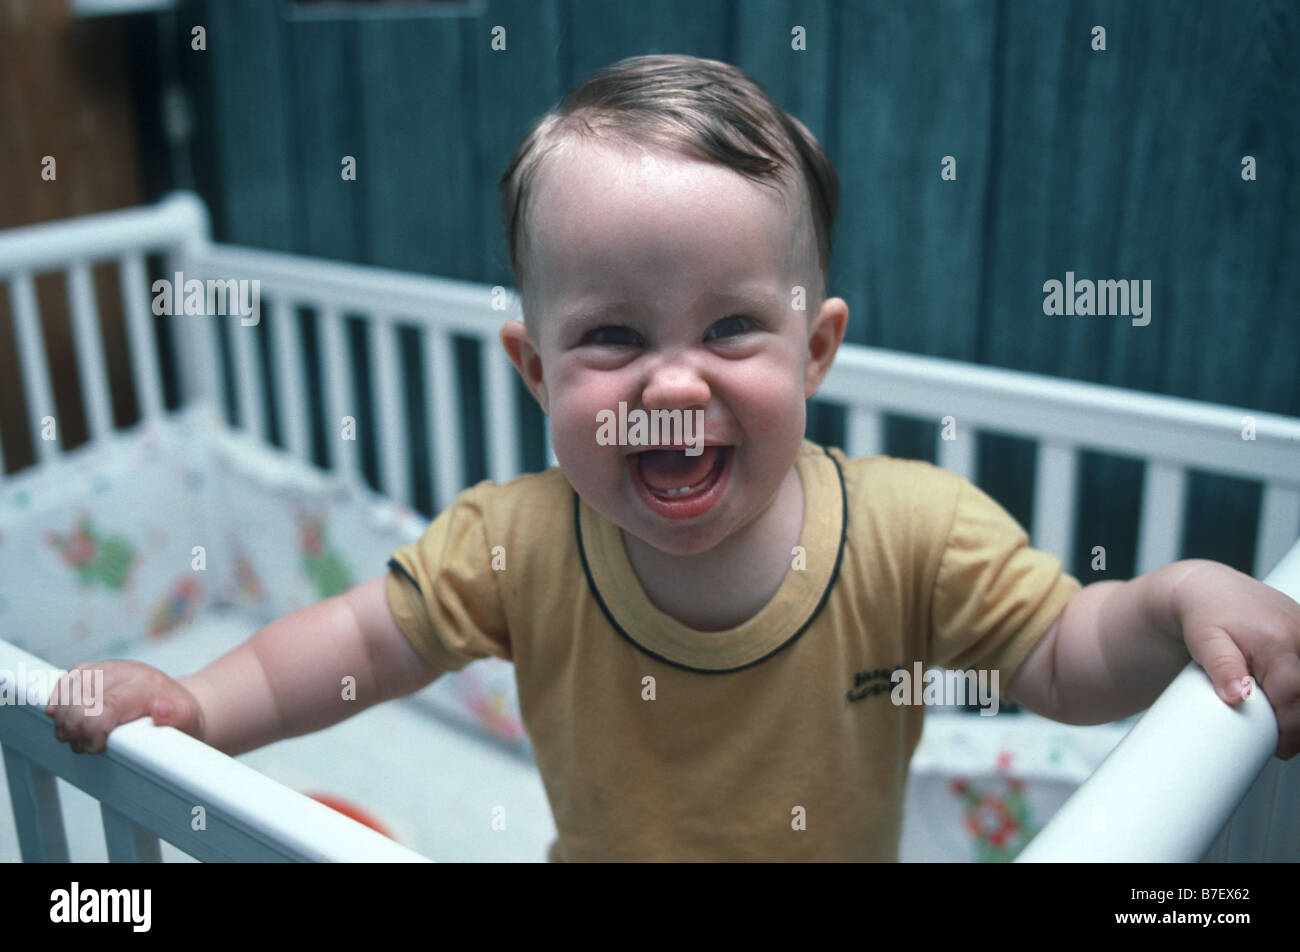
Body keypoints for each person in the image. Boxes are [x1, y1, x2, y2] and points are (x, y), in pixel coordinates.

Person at [46, 54, 1300, 861]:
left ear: (814, 351)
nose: (675, 380)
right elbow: (357, 643)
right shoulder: (512, 540)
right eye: (611, 336)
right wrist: (201, 707)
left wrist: (1177, 595)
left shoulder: (914, 531)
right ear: (535, 371)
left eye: (731, 328)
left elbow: (1063, 657)